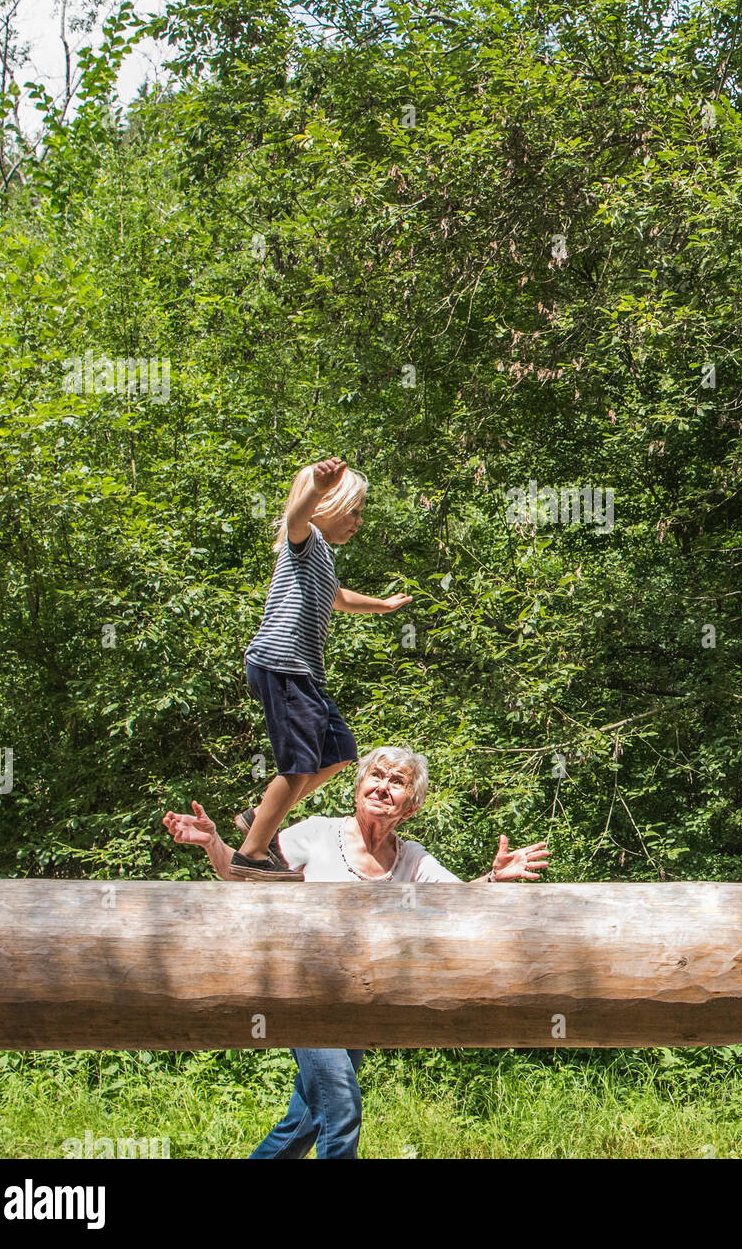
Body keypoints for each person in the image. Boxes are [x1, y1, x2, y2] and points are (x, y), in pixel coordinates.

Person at [161, 745, 549, 1158]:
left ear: (411, 807)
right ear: (359, 786)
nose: (382, 787)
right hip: (304, 992)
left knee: (307, 1120)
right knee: (341, 1107)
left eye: (396, 783)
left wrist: (493, 878)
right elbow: (244, 874)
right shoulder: (317, 833)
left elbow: (457, 900)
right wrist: (212, 842)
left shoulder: (411, 859)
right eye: (375, 777)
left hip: (359, 999)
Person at [234, 456, 412, 880]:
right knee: (298, 765)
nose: (359, 521)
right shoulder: (307, 537)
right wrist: (316, 485)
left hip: (306, 674)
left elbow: (340, 598)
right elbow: (296, 517)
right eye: (353, 511)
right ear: (323, 507)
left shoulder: (324, 559)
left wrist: (383, 605)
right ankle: (253, 851)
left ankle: (260, 815)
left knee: (338, 753)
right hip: (282, 664)